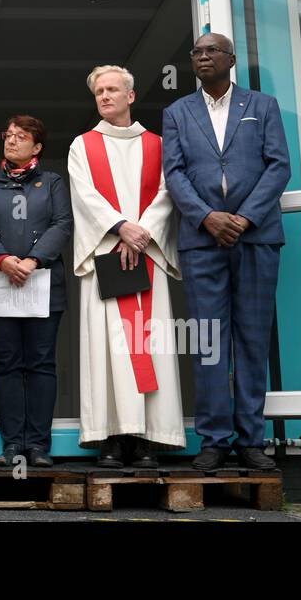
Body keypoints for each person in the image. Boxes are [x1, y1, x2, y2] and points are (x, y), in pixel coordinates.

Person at [162, 33, 291, 471]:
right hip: (202, 241)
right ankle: (215, 439)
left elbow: (279, 166)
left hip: (255, 237)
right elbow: (174, 173)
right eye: (195, 51)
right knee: (209, 343)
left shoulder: (263, 106)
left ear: (231, 59)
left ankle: (252, 440)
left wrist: (245, 218)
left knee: (252, 340)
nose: (201, 56)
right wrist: (207, 218)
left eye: (211, 50)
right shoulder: (177, 112)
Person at [69, 65, 184, 468]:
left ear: (131, 96)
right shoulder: (83, 146)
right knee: (108, 348)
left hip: (147, 255)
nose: (105, 96)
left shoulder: (159, 144)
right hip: (107, 257)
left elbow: (171, 192)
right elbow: (84, 197)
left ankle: (149, 438)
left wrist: (143, 233)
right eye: (99, 91)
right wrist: (121, 229)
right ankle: (113, 438)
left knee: (148, 345)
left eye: (113, 90)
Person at [0, 115, 73, 468]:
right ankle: (12, 445)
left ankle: (39, 447)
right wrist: (0, 258)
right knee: (6, 365)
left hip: (43, 284)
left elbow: (63, 225)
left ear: (37, 146)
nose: (11, 140)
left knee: (41, 364)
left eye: (21, 136)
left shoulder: (53, 181)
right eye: (8, 134)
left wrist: (32, 261)